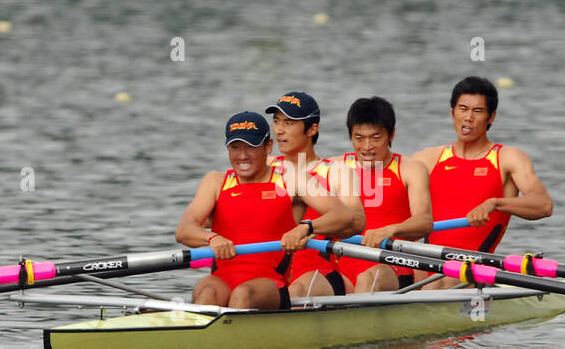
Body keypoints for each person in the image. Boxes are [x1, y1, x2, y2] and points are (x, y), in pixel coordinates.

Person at [176, 111, 358, 309]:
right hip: (221, 280)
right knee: (206, 292)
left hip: (270, 285)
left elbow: (343, 215)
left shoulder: (293, 179)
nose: (242, 156)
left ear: (268, 147)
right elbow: (184, 229)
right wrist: (211, 238)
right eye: (235, 147)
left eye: (251, 147)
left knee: (242, 295)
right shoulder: (215, 181)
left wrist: (305, 229)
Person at [412, 77, 552, 287]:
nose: (468, 118)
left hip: (473, 269)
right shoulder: (427, 158)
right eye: (463, 109)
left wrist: (495, 203)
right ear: (452, 113)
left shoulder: (508, 158)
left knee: (438, 282)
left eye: (477, 111)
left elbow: (543, 205)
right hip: (427, 263)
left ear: (491, 117)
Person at [264, 91, 364, 298]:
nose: (279, 130)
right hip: (268, 272)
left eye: (289, 123)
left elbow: (357, 223)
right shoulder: (263, 167)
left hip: (319, 274)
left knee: (295, 292)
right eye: (276, 122)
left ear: (312, 129)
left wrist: (307, 229)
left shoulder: (337, 171)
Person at [337, 96, 433, 292]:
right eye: (359, 138)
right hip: (343, 266)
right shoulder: (335, 167)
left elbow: (424, 222)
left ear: (392, 135)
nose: (367, 147)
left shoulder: (410, 169)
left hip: (393, 267)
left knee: (368, 279)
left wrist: (390, 231)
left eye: (376, 137)